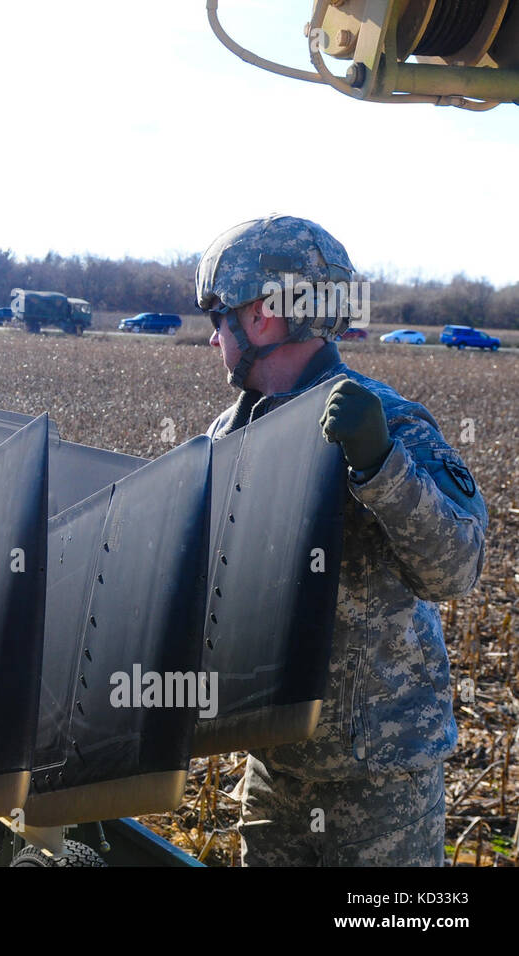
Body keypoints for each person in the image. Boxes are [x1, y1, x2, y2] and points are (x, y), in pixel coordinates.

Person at [196, 215, 487, 866]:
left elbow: (456, 569)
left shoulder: (391, 422)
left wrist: (382, 464)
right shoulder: (226, 437)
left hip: (381, 782)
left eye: (219, 315)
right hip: (276, 772)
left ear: (265, 315)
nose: (213, 336)